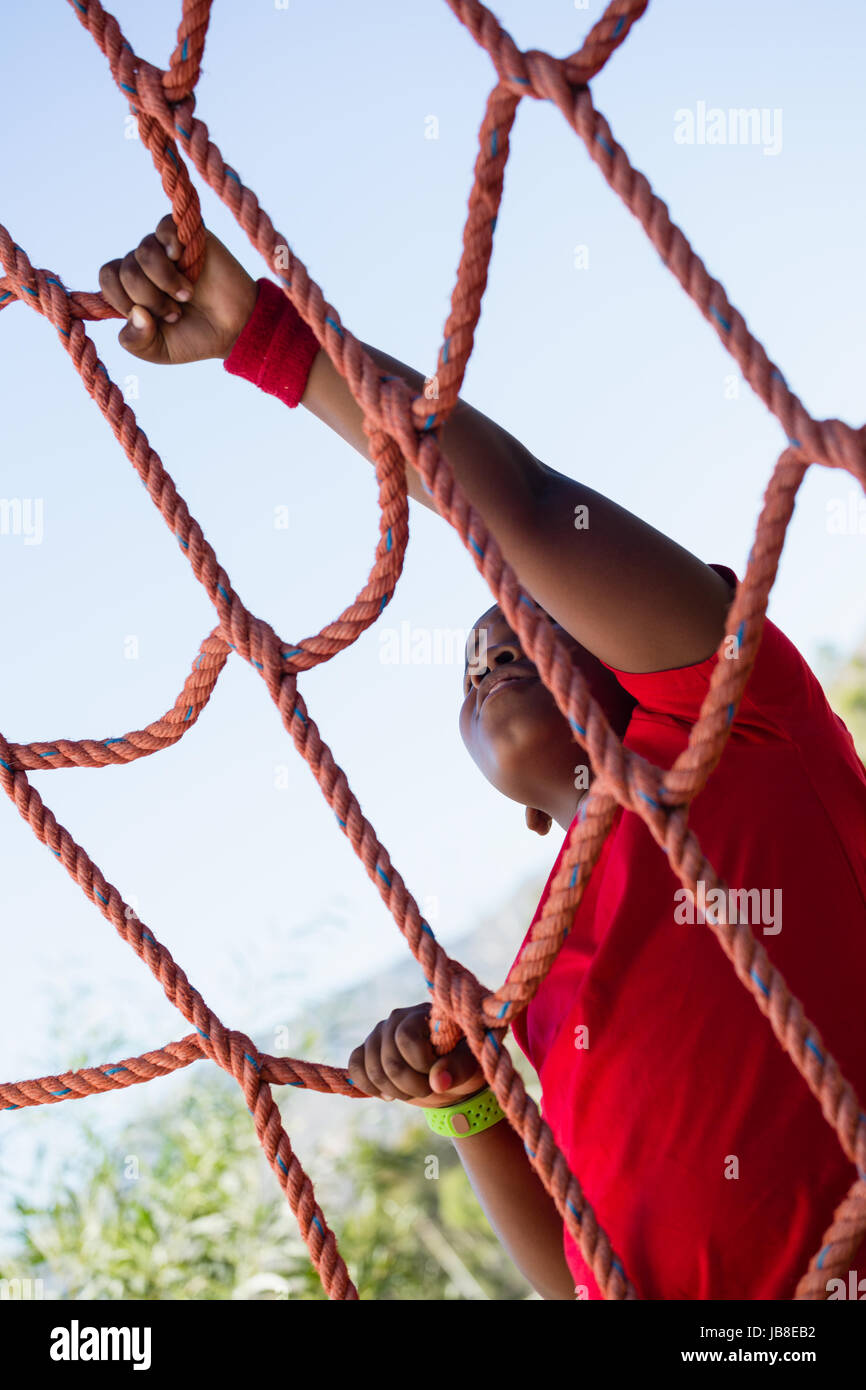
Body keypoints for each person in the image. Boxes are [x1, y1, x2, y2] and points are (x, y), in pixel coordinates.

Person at [99, 219, 866, 1301]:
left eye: (520, 616)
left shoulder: (733, 725)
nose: (494, 643)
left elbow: (524, 509)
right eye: (471, 663)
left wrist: (265, 337)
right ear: (514, 811)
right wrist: (466, 1103)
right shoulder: (535, 988)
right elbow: (579, 1279)